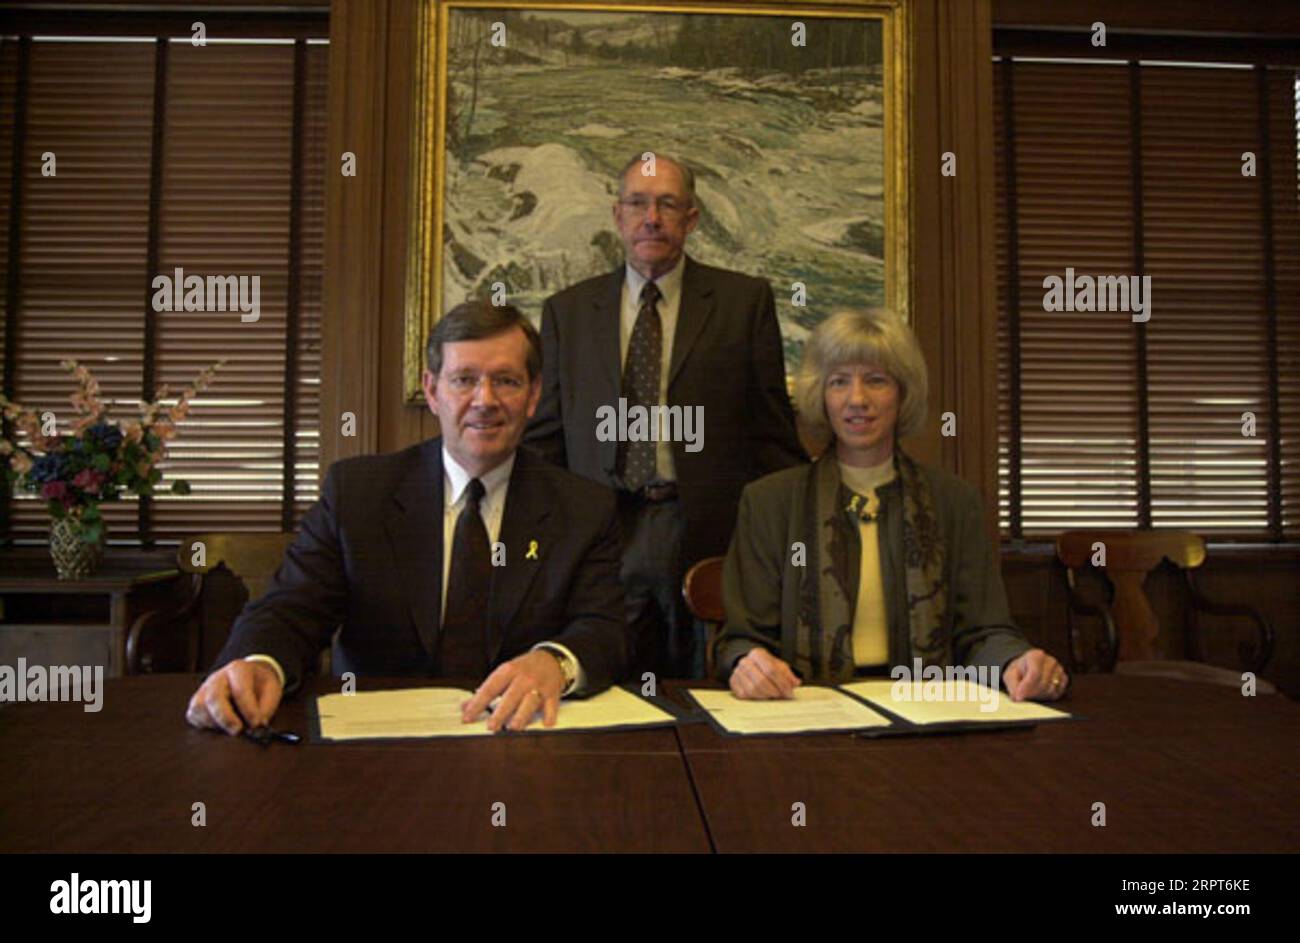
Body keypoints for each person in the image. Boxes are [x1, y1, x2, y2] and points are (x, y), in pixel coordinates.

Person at [186, 302, 629, 735]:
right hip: (377, 747)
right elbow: (290, 608)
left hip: (521, 739)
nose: (485, 400)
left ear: (533, 396)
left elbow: (605, 628)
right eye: (464, 380)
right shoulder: (358, 494)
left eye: (507, 381)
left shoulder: (582, 507)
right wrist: (258, 664)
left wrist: (555, 661)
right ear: (432, 390)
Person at [525, 151, 805, 680]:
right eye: (637, 203)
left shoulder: (743, 303)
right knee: (602, 685)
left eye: (667, 204)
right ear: (617, 215)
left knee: (707, 689)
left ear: (691, 218)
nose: (651, 217)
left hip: (703, 532)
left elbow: (771, 435)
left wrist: (785, 545)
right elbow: (547, 441)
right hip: (603, 533)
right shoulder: (569, 311)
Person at [717, 308, 1069, 701]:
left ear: (903, 393)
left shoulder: (955, 502)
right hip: (804, 708)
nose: (857, 399)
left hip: (927, 711)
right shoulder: (769, 502)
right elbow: (740, 639)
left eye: (876, 380)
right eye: (839, 382)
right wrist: (747, 663)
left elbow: (983, 633)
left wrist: (1017, 662)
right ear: (821, 396)